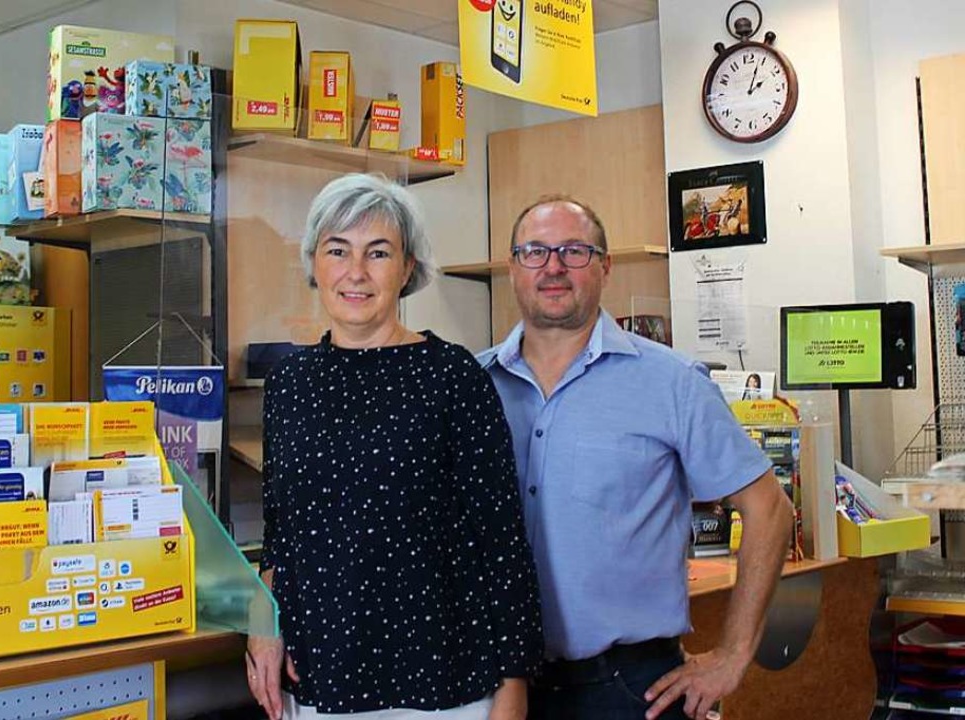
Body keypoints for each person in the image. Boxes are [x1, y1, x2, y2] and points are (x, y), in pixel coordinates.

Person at [477, 196, 795, 720]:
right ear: (513, 267)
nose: (553, 267)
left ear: (605, 266)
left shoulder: (671, 382)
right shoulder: (472, 385)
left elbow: (769, 509)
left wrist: (734, 654)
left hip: (628, 691)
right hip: (499, 687)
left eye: (574, 251)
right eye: (535, 251)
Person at [247, 173, 543, 720]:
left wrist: (514, 681)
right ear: (314, 262)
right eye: (338, 250)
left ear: (408, 269)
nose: (355, 272)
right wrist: (262, 626)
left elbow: (501, 539)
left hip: (442, 682)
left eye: (378, 253)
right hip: (318, 678)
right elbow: (280, 534)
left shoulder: (453, 376)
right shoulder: (290, 384)